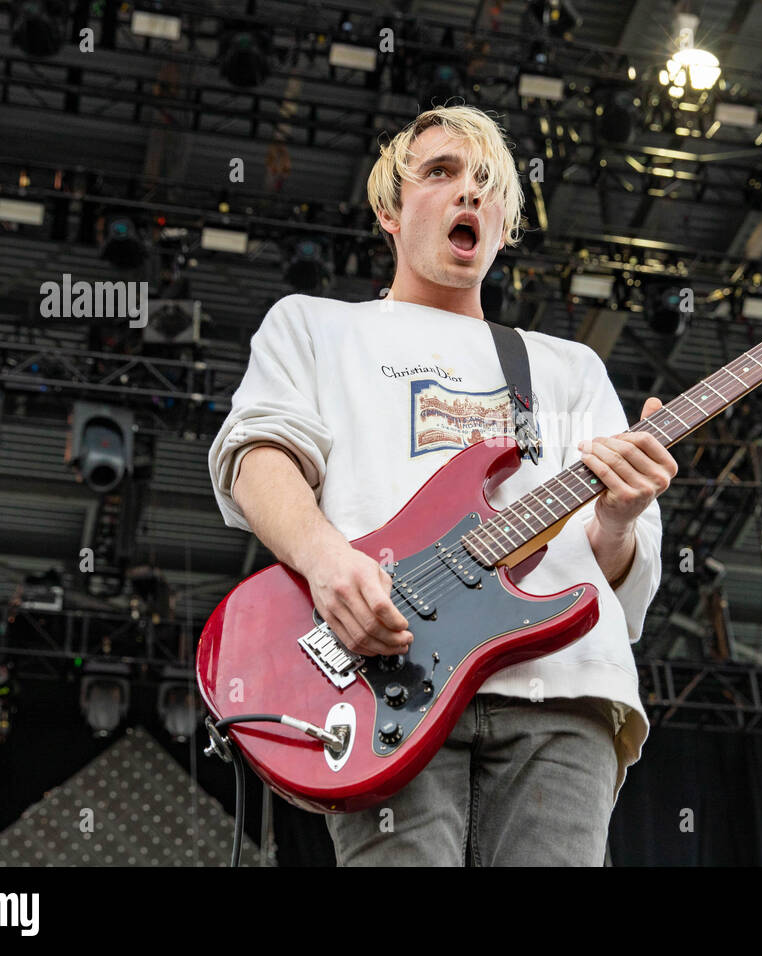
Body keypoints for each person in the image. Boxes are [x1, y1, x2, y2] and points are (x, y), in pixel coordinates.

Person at [207, 104, 676, 866]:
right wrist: (329, 565)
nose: (470, 194)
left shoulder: (565, 367)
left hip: (564, 693)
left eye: (489, 184)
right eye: (441, 173)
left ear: (503, 227)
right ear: (389, 209)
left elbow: (621, 586)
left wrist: (621, 520)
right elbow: (259, 455)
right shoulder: (316, 325)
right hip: (389, 679)